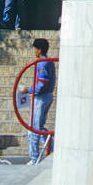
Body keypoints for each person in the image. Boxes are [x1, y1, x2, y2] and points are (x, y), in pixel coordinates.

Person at [27, 37, 56, 165]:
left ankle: (34, 157)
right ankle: (52, 149)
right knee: (39, 127)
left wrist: (28, 89)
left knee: (33, 128)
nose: (34, 51)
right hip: (47, 96)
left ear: (39, 50)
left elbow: (42, 84)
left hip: (42, 96)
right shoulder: (48, 62)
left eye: (35, 49)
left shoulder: (42, 63)